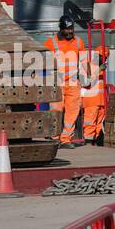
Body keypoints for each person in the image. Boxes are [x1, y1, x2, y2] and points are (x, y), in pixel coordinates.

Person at [45, 17, 86, 147]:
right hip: (57, 83)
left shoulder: (78, 42)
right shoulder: (51, 42)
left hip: (73, 83)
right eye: (67, 29)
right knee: (56, 111)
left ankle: (66, 139)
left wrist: (89, 76)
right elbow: (44, 61)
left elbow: (85, 61)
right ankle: (54, 137)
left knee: (72, 112)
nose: (70, 31)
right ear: (61, 29)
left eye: (71, 28)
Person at [79, 45, 110, 145]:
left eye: (105, 58)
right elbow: (85, 82)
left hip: (101, 100)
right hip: (91, 100)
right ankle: (88, 140)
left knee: (99, 123)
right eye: (102, 57)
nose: (103, 59)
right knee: (90, 121)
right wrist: (98, 71)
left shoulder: (103, 68)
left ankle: (96, 140)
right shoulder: (88, 66)